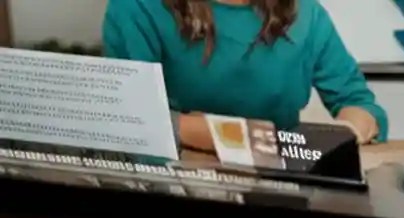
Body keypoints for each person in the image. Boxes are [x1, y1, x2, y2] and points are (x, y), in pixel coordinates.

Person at [102, 0, 388, 152]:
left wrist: (351, 129)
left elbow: (359, 103)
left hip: (285, 189)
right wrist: (218, 135)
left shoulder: (306, 13)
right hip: (176, 190)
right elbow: (125, 119)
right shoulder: (137, 7)